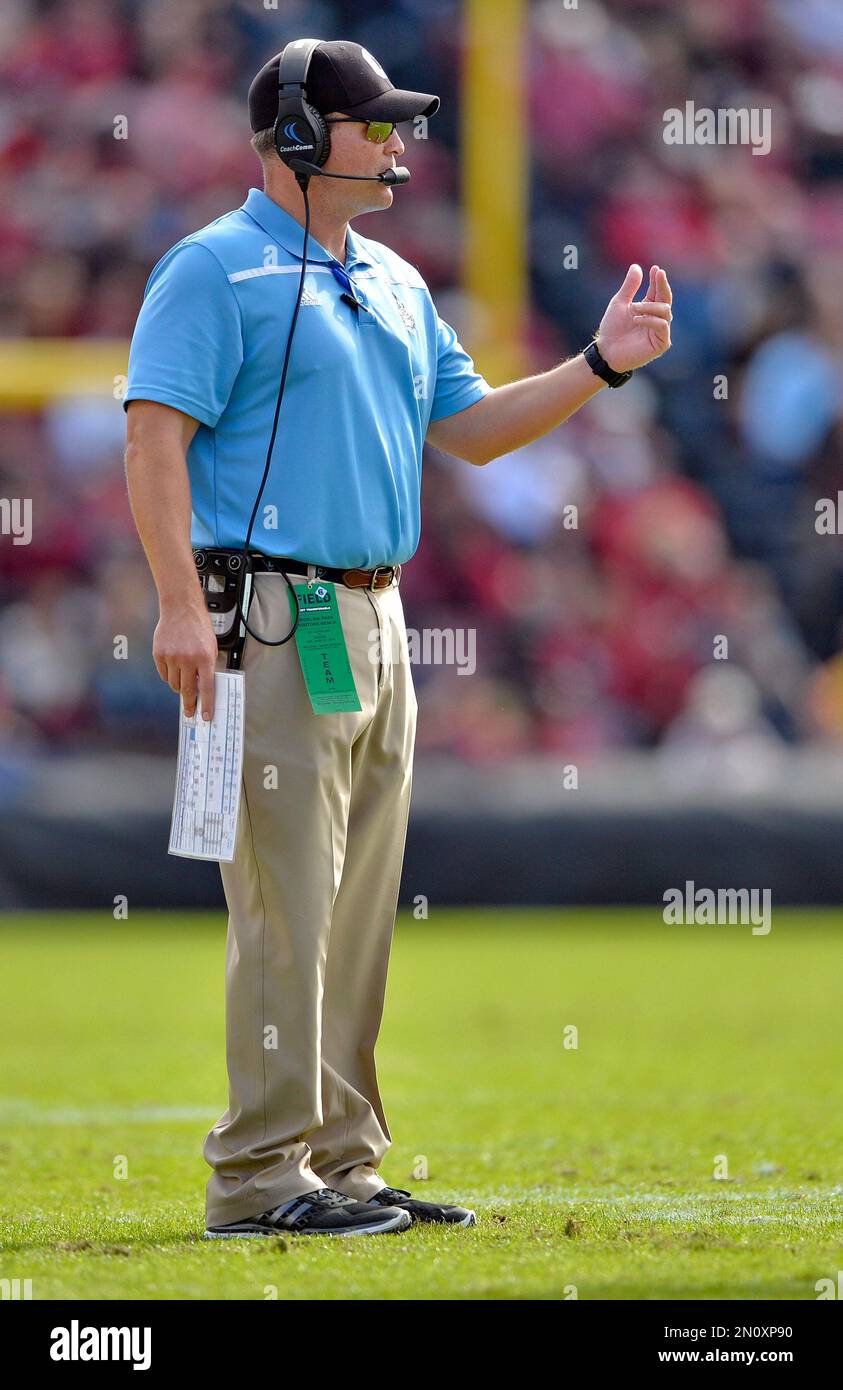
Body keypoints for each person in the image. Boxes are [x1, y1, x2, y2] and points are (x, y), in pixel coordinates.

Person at [123, 38, 673, 1240]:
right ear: (300, 139)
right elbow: (153, 436)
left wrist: (595, 366)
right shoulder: (211, 270)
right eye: (372, 124)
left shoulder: (398, 279)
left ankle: (342, 1161)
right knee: (287, 905)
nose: (397, 142)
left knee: (359, 905)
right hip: (268, 612)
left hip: (372, 615)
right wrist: (175, 602)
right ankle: (259, 1177)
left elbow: (471, 432)